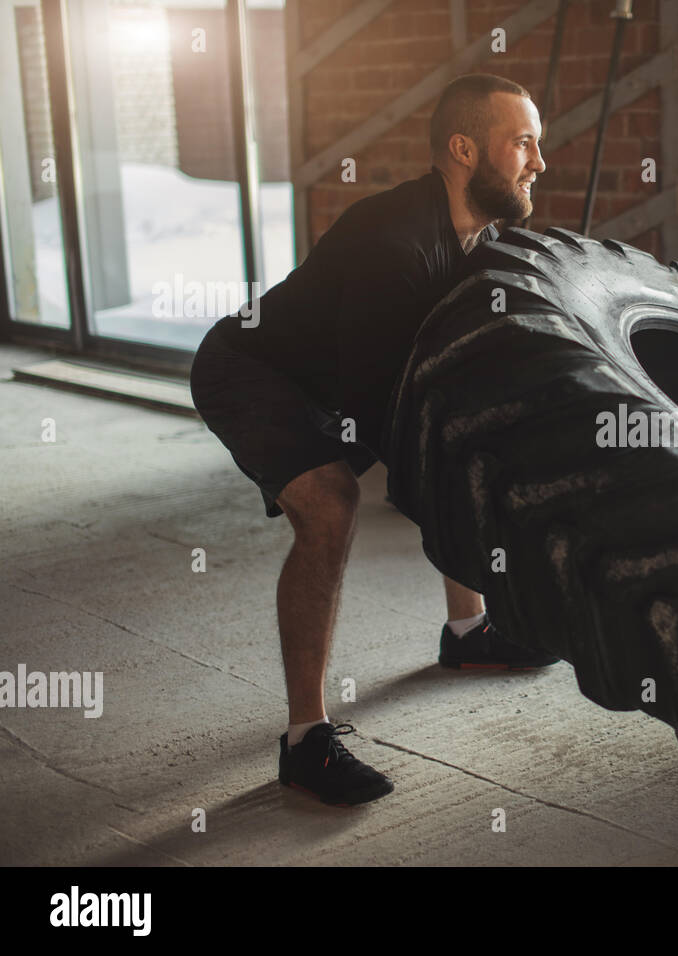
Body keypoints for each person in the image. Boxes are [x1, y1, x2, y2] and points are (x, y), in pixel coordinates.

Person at [189, 74, 555, 807]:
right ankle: (306, 743)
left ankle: (469, 633)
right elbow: (379, 414)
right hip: (249, 371)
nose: (538, 162)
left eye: (537, 144)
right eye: (522, 142)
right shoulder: (394, 245)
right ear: (463, 149)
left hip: (336, 374)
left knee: (462, 438)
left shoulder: (489, 227)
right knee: (332, 504)